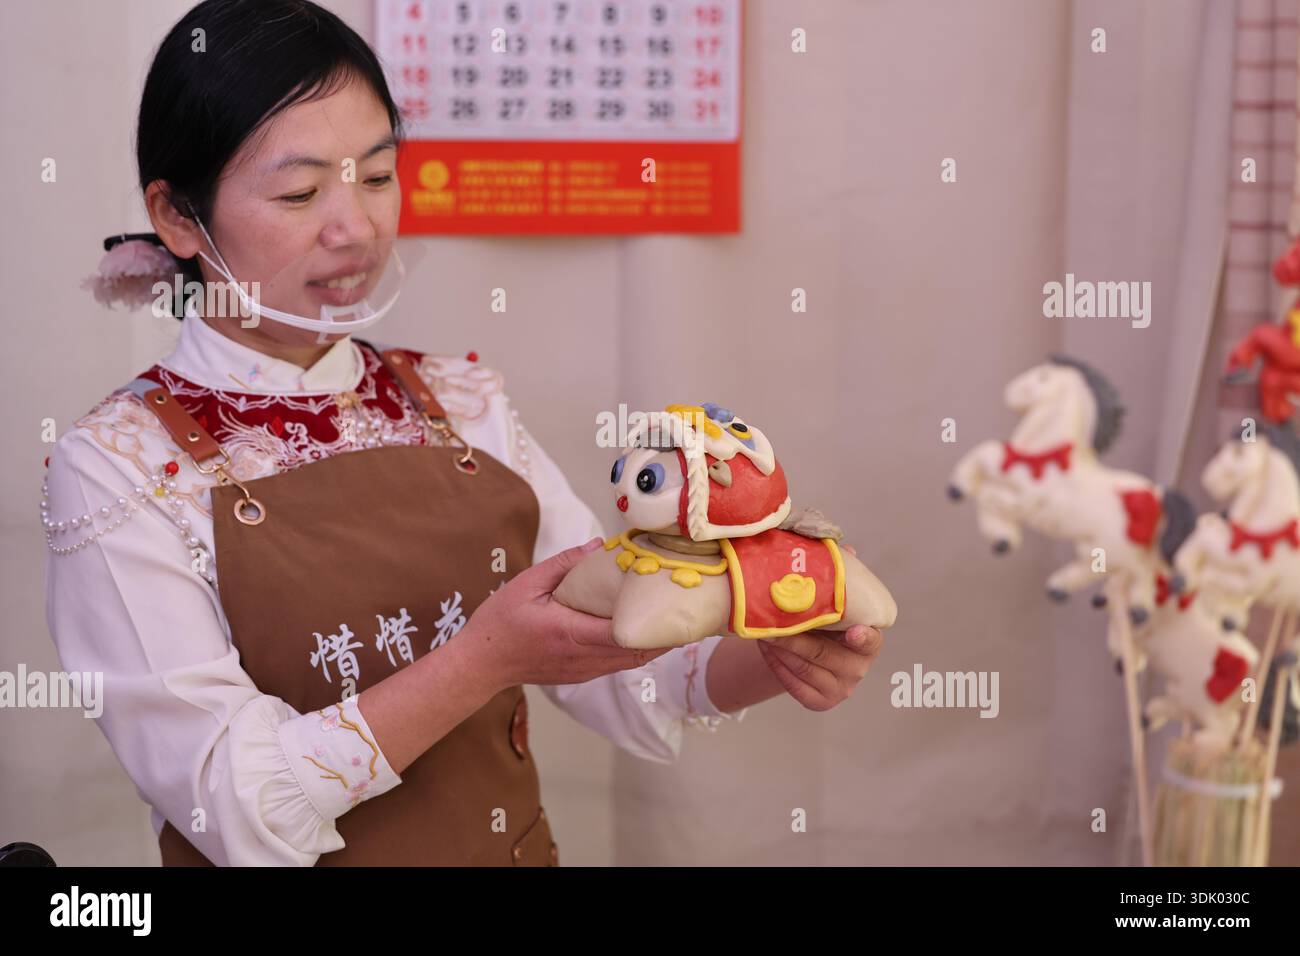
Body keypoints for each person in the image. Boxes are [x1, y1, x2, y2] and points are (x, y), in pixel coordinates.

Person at [44, 0, 884, 866]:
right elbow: (231, 802)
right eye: (299, 192)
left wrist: (771, 653)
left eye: (376, 176)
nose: (357, 227)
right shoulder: (118, 465)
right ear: (179, 217)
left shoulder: (455, 399)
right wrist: (479, 663)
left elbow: (627, 658)